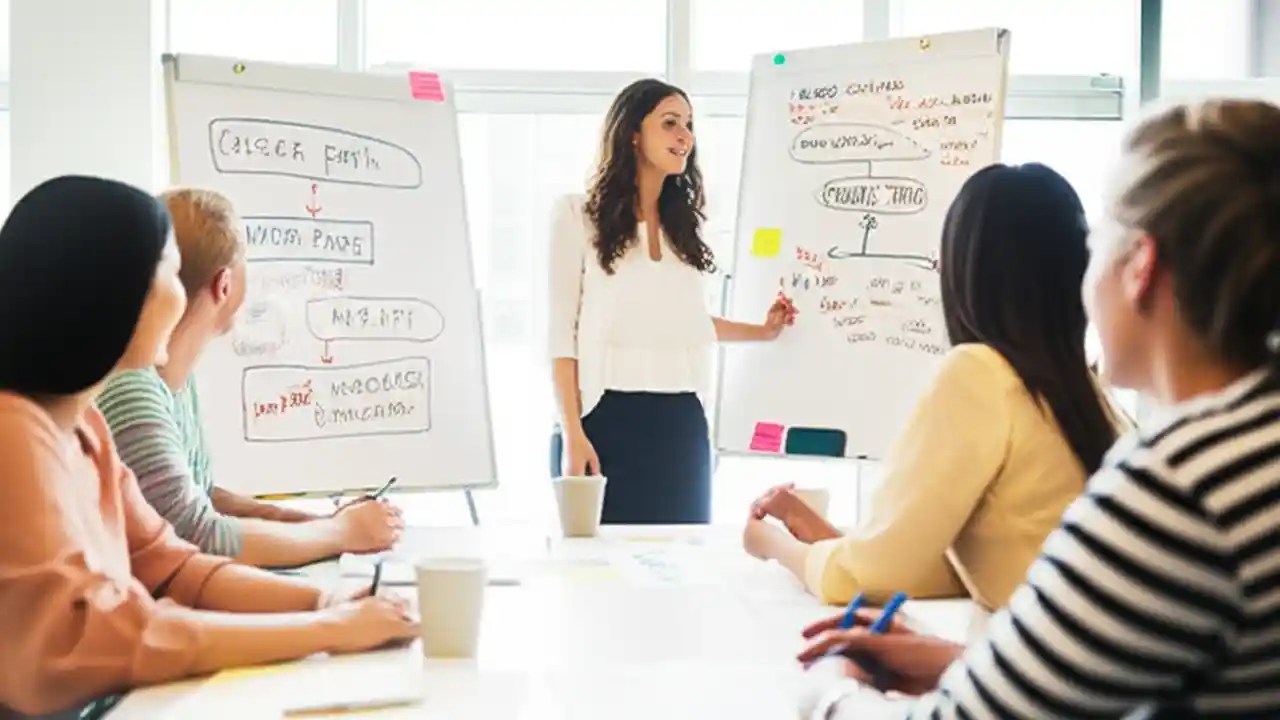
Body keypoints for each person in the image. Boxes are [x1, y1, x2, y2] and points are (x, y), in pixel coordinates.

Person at [796, 98, 1280, 719]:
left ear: (1141, 266)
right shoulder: (1249, 448)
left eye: (1095, 243)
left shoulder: (1183, 485)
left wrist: (830, 689)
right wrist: (969, 663)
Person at [0, 175, 418, 719]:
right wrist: (327, 627)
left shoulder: (85, 430)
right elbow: (108, 636)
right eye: (172, 273)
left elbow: (176, 569)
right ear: (113, 290)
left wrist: (323, 600)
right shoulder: (14, 432)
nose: (182, 292)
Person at [743, 162, 1129, 612]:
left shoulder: (980, 373)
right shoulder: (1083, 389)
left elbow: (865, 580)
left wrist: (770, 543)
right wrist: (814, 528)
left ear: (965, 268)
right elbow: (961, 560)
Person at [96, 188, 402, 569]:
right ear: (223, 284)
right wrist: (342, 534)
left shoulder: (176, 378)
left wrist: (319, 524)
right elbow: (196, 536)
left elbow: (198, 497)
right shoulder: (132, 388)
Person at [547, 78, 796, 525]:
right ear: (633, 134)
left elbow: (687, 323)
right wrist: (573, 432)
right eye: (670, 123)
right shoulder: (575, 215)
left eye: (688, 125)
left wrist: (764, 332)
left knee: (685, 572)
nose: (685, 136)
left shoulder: (686, 230)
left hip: (679, 423)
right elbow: (560, 336)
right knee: (598, 574)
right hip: (601, 420)